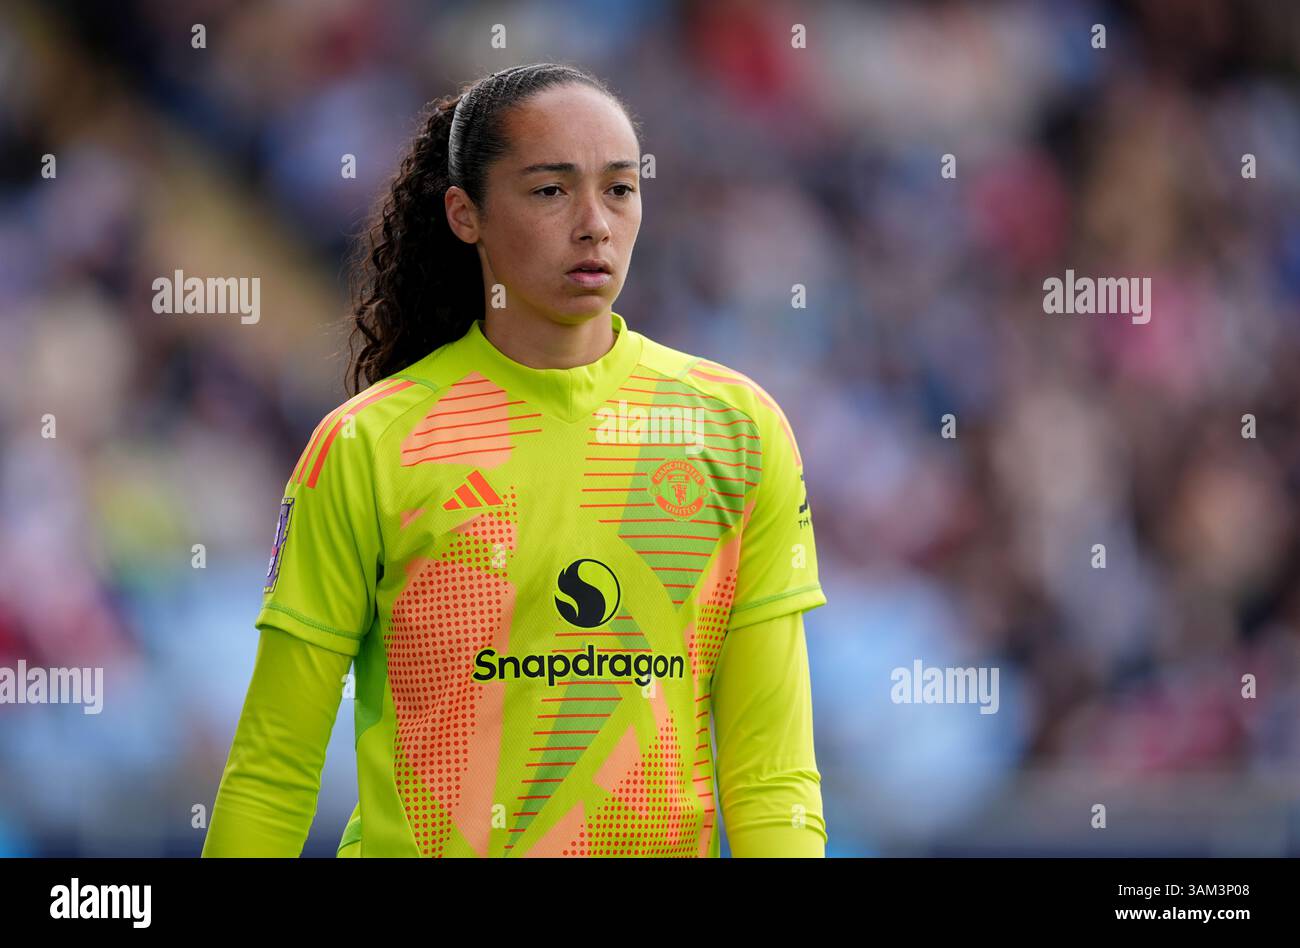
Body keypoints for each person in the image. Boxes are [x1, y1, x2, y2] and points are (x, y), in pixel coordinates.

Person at [202, 62, 828, 858]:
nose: (595, 223)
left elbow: (771, 775)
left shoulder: (735, 430)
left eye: (621, 189)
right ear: (466, 215)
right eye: (550, 190)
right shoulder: (368, 446)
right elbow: (274, 766)